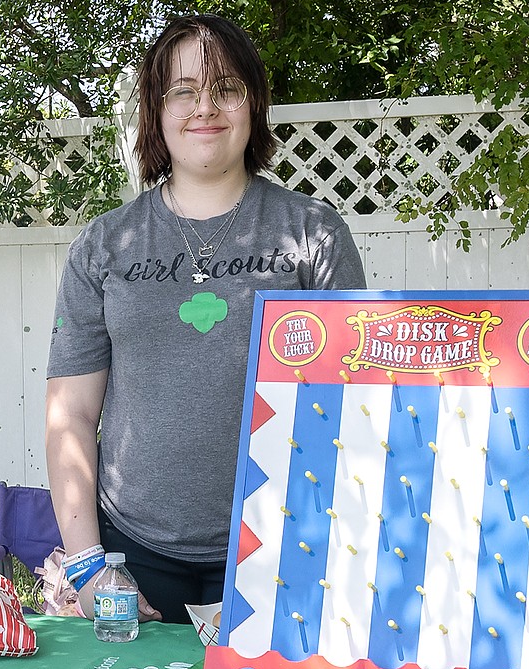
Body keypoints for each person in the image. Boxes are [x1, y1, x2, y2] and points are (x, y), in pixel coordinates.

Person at [45, 14, 367, 623]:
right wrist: (87, 564)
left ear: (255, 104)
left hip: (285, 550)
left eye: (225, 89)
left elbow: (349, 406)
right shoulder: (104, 246)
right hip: (131, 558)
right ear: (156, 111)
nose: (205, 107)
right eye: (184, 91)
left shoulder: (314, 235)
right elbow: (71, 417)